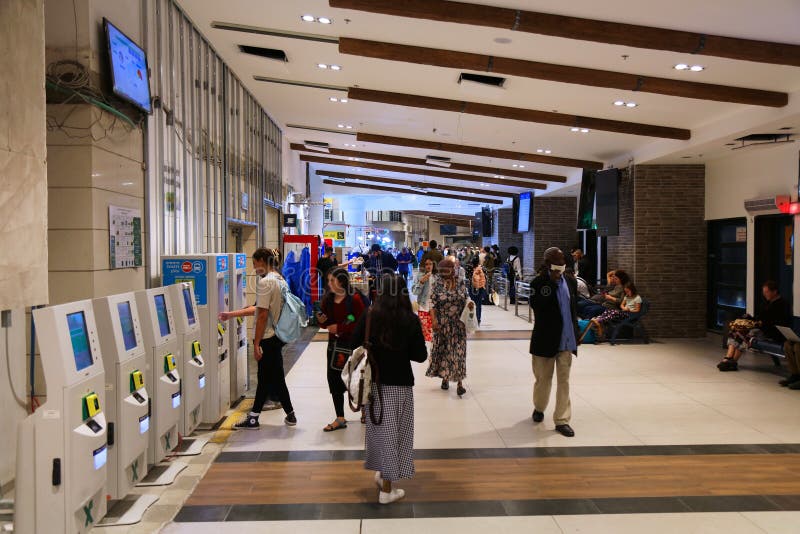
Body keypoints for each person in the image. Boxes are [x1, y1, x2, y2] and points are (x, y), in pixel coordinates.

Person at [351, 274, 427, 505]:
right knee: (397, 434)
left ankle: (383, 473)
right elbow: (420, 356)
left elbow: (354, 342)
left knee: (379, 433)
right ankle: (387, 488)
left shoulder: (370, 314)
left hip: (373, 384)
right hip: (400, 384)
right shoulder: (410, 319)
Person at [231, 248, 297, 429]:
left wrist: (257, 342)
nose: (254, 268)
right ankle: (289, 415)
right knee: (275, 377)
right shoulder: (280, 279)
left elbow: (261, 315)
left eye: (254, 264)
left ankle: (254, 418)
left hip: (268, 336)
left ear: (262, 260)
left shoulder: (266, 282)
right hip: (278, 335)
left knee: (266, 378)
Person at [529, 247, 580, 438]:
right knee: (543, 379)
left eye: (562, 267)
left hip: (566, 340)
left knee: (564, 381)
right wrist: (550, 284)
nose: (559, 271)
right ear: (547, 265)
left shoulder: (571, 282)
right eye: (555, 267)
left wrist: (576, 332)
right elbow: (537, 307)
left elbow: (573, 308)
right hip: (545, 340)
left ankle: (562, 419)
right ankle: (539, 407)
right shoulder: (538, 283)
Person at [316, 268, 368, 432]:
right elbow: (325, 324)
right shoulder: (328, 300)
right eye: (329, 281)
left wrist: (340, 327)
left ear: (342, 282)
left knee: (358, 378)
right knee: (334, 379)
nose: (329, 284)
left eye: (332, 280)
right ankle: (340, 417)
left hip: (353, 347)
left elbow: (361, 322)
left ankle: (365, 410)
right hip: (334, 347)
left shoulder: (355, 300)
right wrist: (322, 321)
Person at [718, 280, 791, 372]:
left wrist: (758, 323)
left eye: (767, 292)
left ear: (775, 291)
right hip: (762, 328)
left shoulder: (782, 304)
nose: (765, 294)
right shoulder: (767, 303)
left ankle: (733, 361)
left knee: (747, 334)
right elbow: (760, 318)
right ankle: (728, 357)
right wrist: (750, 318)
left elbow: (776, 322)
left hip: (772, 332)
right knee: (736, 330)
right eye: (764, 292)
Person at [426, 260, 471, 396]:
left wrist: (469, 304)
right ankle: (445, 378)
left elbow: (466, 297)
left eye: (447, 270)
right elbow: (432, 303)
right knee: (444, 351)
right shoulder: (437, 283)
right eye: (442, 271)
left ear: (453, 269)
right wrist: (433, 321)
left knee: (458, 353)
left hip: (458, 324)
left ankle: (459, 383)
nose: (444, 273)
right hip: (442, 324)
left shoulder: (460, 282)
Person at [412, 257, 436, 343]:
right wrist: (421, 282)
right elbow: (414, 291)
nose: (429, 266)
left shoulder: (436, 277)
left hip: (434, 309)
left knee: (434, 334)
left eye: (431, 264)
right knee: (424, 334)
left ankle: (432, 354)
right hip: (423, 307)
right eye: (426, 264)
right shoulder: (419, 276)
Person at [470, 256, 487, 326]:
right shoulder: (482, 269)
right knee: (478, 304)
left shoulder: (469, 268)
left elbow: (467, 278)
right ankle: (478, 319)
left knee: (471, 304)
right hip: (480, 288)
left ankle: (471, 319)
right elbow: (485, 278)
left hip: (471, 287)